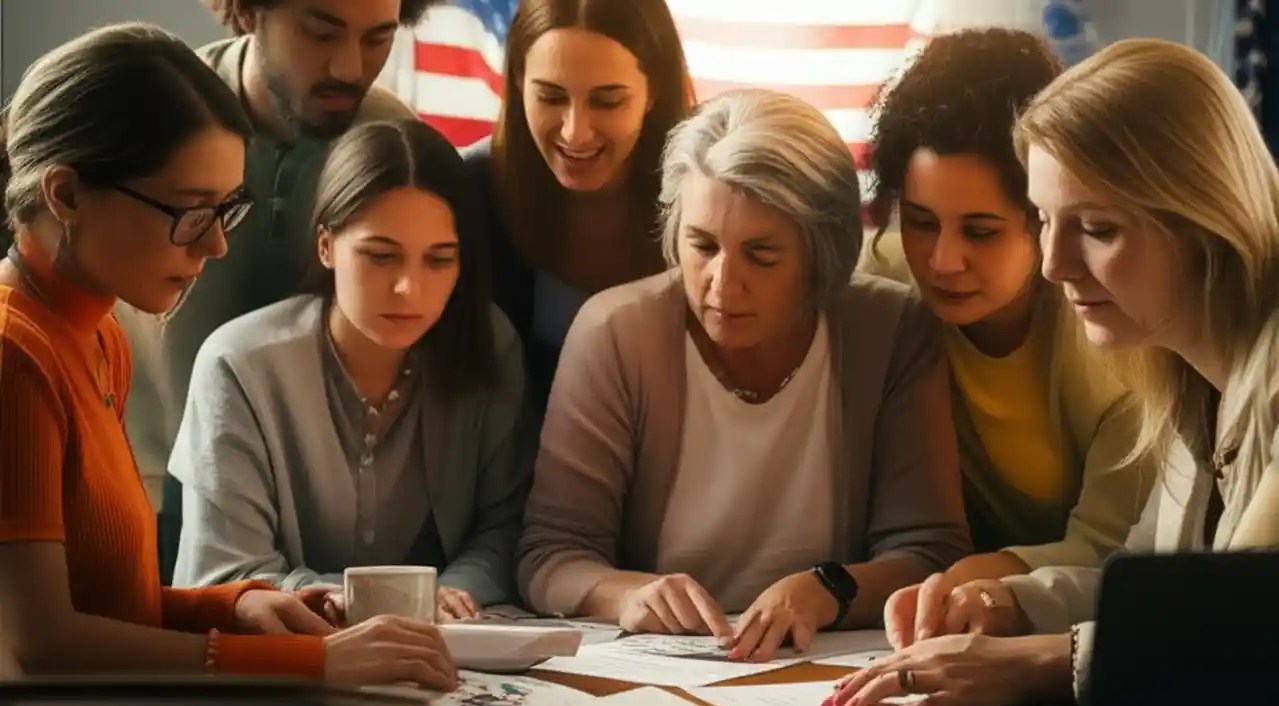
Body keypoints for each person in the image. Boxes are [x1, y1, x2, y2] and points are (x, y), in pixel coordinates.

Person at [826, 38, 1279, 706]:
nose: (1053, 265)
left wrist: (1045, 662)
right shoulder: (1185, 376)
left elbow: (1243, 635)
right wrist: (1009, 603)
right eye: (1043, 221)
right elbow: (1142, 586)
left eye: (1096, 228)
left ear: (1203, 218)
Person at [0, 23, 454, 689]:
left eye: (226, 211)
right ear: (65, 195)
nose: (215, 248)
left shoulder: (99, 336)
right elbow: (37, 646)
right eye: (190, 214)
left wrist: (237, 604)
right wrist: (312, 663)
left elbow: (109, 609)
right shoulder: (15, 355)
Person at [518, 88, 971, 663]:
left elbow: (930, 549)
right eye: (702, 245)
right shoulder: (616, 332)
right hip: (659, 678)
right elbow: (550, 555)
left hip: (824, 669)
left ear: (821, 251)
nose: (723, 284)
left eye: (761, 255)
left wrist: (826, 589)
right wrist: (628, 594)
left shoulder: (891, 328)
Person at [115, 0, 443, 583]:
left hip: (311, 512)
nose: (349, 66)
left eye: (377, 39)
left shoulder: (392, 141)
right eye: (322, 32)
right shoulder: (157, 117)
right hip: (147, 483)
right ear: (245, 10)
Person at [857, 28, 1151, 649]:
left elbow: (1109, 549)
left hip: (1052, 630)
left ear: (1045, 216)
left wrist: (970, 580)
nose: (941, 261)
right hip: (918, 613)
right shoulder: (879, 281)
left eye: (981, 232)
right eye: (920, 222)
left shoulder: (1114, 336)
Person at [170, 119, 534, 621]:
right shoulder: (240, 364)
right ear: (326, 246)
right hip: (292, 658)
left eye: (439, 260)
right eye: (380, 257)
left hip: (455, 648)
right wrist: (398, 601)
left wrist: (452, 595)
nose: (410, 288)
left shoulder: (489, 345)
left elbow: (508, 528)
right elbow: (225, 573)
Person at [465, 0, 693, 411]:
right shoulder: (468, 192)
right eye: (550, 97)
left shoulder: (704, 199)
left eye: (607, 102)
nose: (575, 132)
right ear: (518, 81)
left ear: (653, 92)